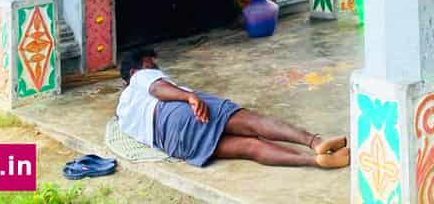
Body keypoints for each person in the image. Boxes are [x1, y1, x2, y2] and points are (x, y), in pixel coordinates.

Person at [115, 48, 349, 169]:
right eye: (150, 64)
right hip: (177, 109)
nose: (156, 66)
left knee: (250, 147)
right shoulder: (140, 78)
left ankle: (316, 162)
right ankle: (315, 143)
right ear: (134, 72)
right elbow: (157, 88)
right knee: (253, 123)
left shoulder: (122, 112)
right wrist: (189, 97)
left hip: (173, 142)